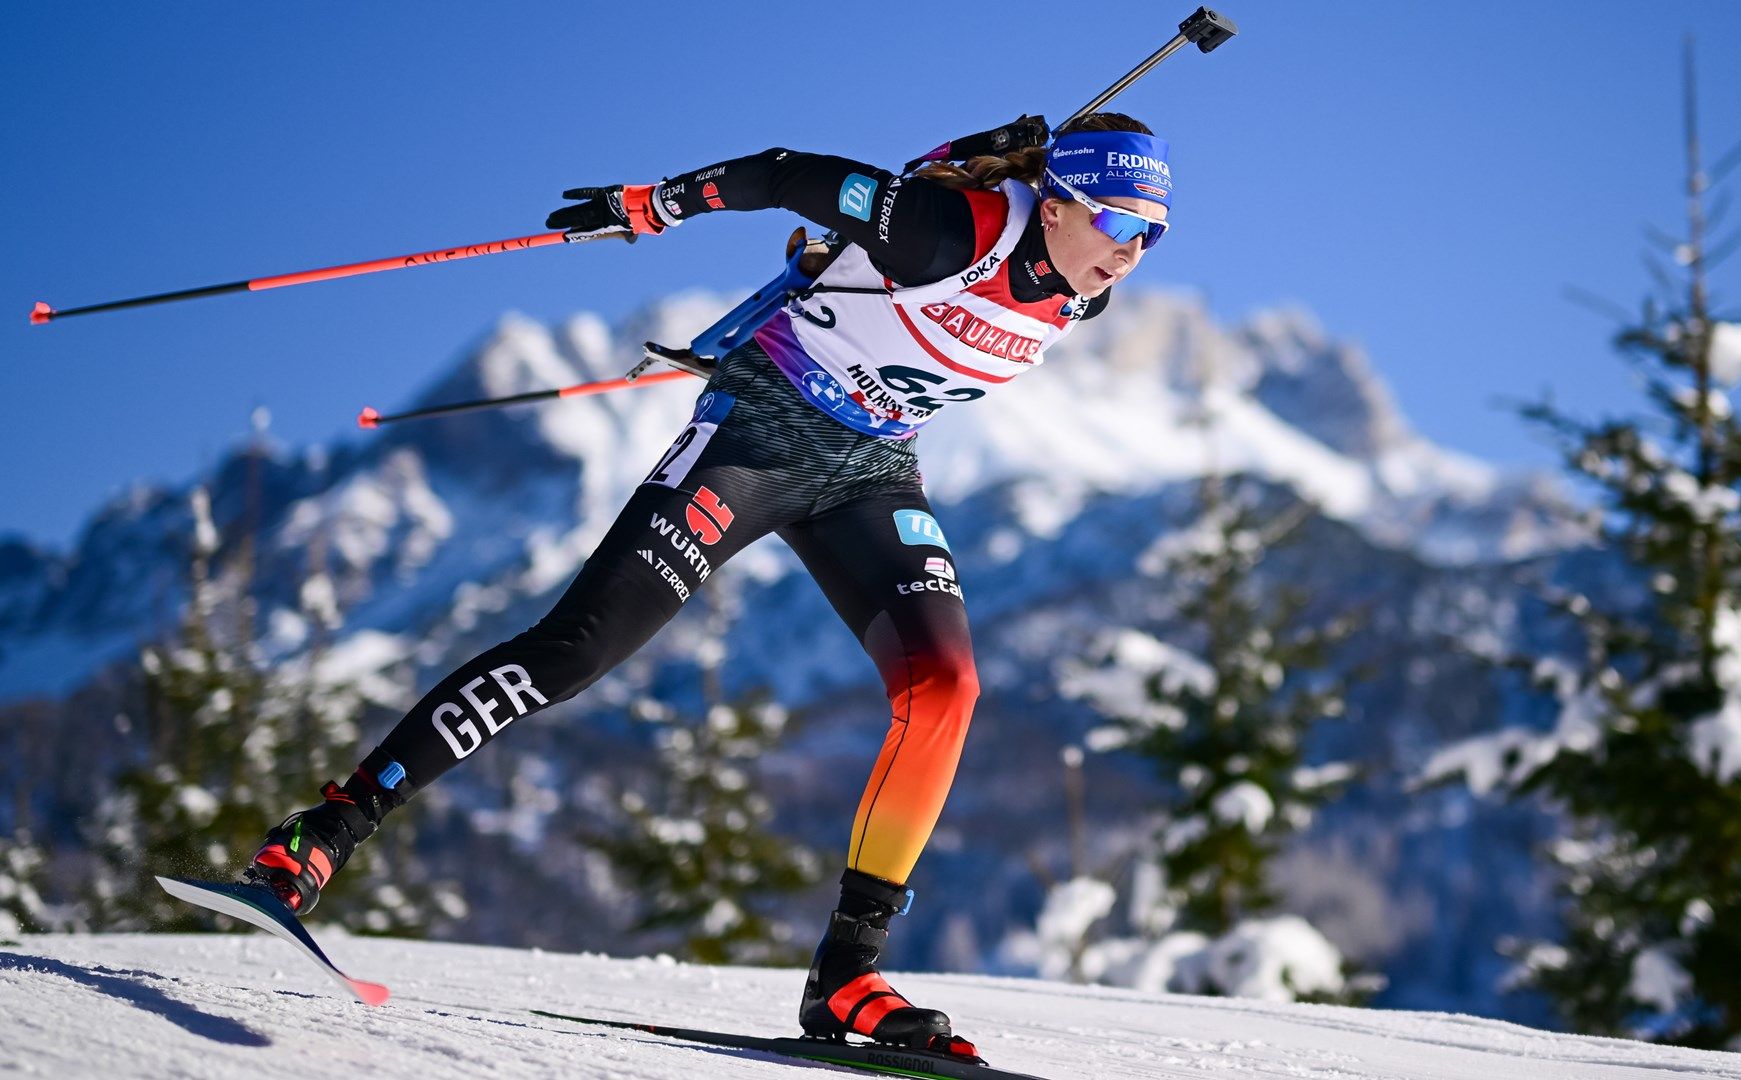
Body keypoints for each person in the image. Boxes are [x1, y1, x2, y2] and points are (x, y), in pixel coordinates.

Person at [242, 113, 1172, 1056]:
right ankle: (322, 833)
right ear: (1055, 204)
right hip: (759, 436)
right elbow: (785, 173)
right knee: (576, 650)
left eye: (1152, 234)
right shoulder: (944, 228)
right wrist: (657, 204)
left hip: (872, 472)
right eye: (1118, 224)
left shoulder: (1081, 286)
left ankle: (847, 977)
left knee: (947, 688)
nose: (1131, 254)